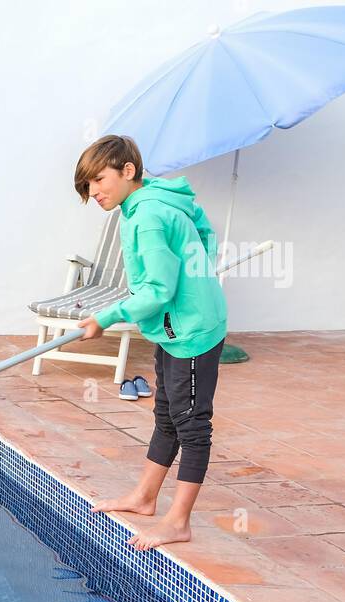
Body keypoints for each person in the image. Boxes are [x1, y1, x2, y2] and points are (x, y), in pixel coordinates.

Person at [73, 135, 227, 550]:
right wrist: (201, 272)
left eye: (99, 180)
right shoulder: (150, 202)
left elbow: (158, 289)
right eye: (88, 186)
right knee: (167, 414)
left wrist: (106, 317)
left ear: (128, 171)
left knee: (192, 424)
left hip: (191, 331)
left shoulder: (148, 216)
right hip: (176, 324)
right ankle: (144, 497)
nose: (94, 192)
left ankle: (179, 521)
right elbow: (204, 229)